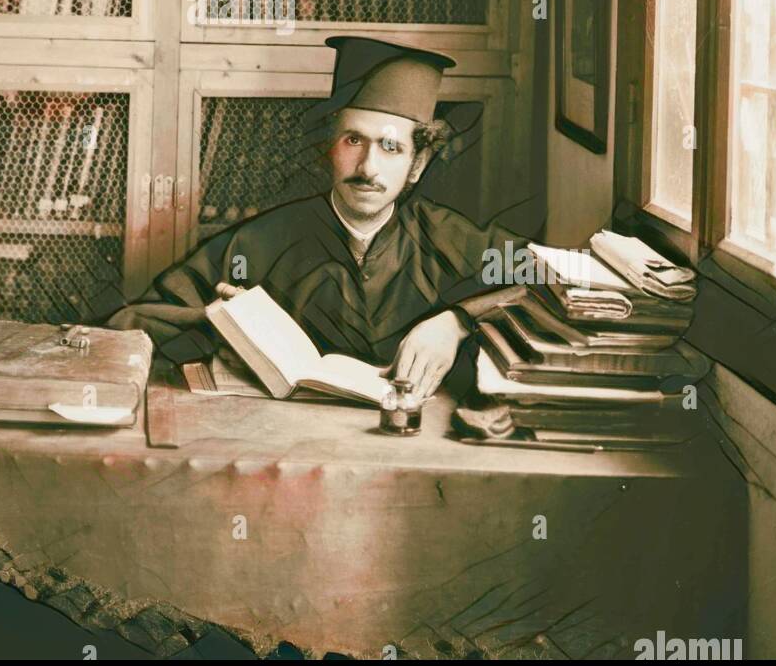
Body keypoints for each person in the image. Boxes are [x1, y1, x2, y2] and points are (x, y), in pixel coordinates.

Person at [109, 37, 529, 398]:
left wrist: (457, 323)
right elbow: (129, 326)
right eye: (353, 141)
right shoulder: (260, 241)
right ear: (328, 148)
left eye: (391, 148)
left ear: (417, 165)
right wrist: (224, 321)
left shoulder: (450, 238)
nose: (368, 167)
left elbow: (562, 286)